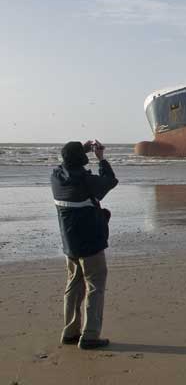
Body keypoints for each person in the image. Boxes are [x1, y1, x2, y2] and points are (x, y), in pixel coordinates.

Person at [51, 140, 118, 350]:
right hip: (90, 244)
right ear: (82, 159)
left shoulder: (56, 176)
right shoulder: (86, 181)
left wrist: (82, 150)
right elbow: (110, 181)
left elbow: (66, 163)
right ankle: (90, 336)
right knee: (95, 286)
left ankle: (70, 332)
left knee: (73, 285)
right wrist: (101, 158)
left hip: (69, 244)